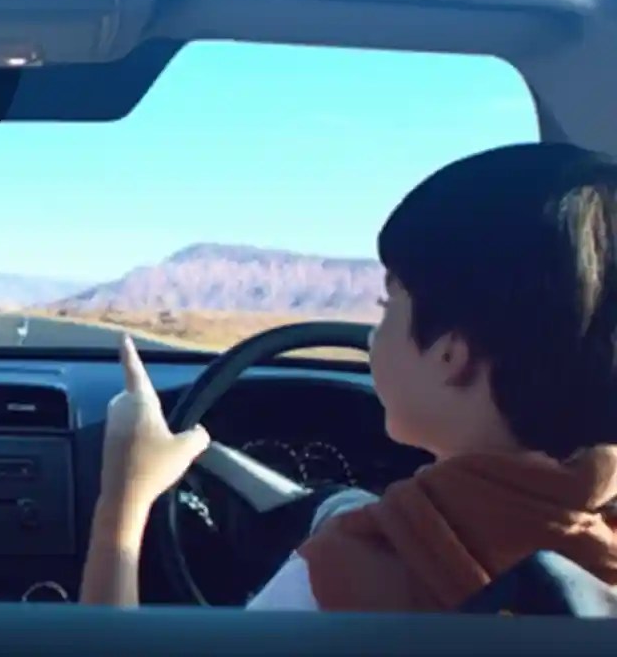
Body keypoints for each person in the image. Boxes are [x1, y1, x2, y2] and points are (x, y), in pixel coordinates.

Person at [81, 142, 617, 611]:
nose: (370, 334)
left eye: (388, 305)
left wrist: (122, 506)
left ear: (453, 354)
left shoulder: (341, 582)